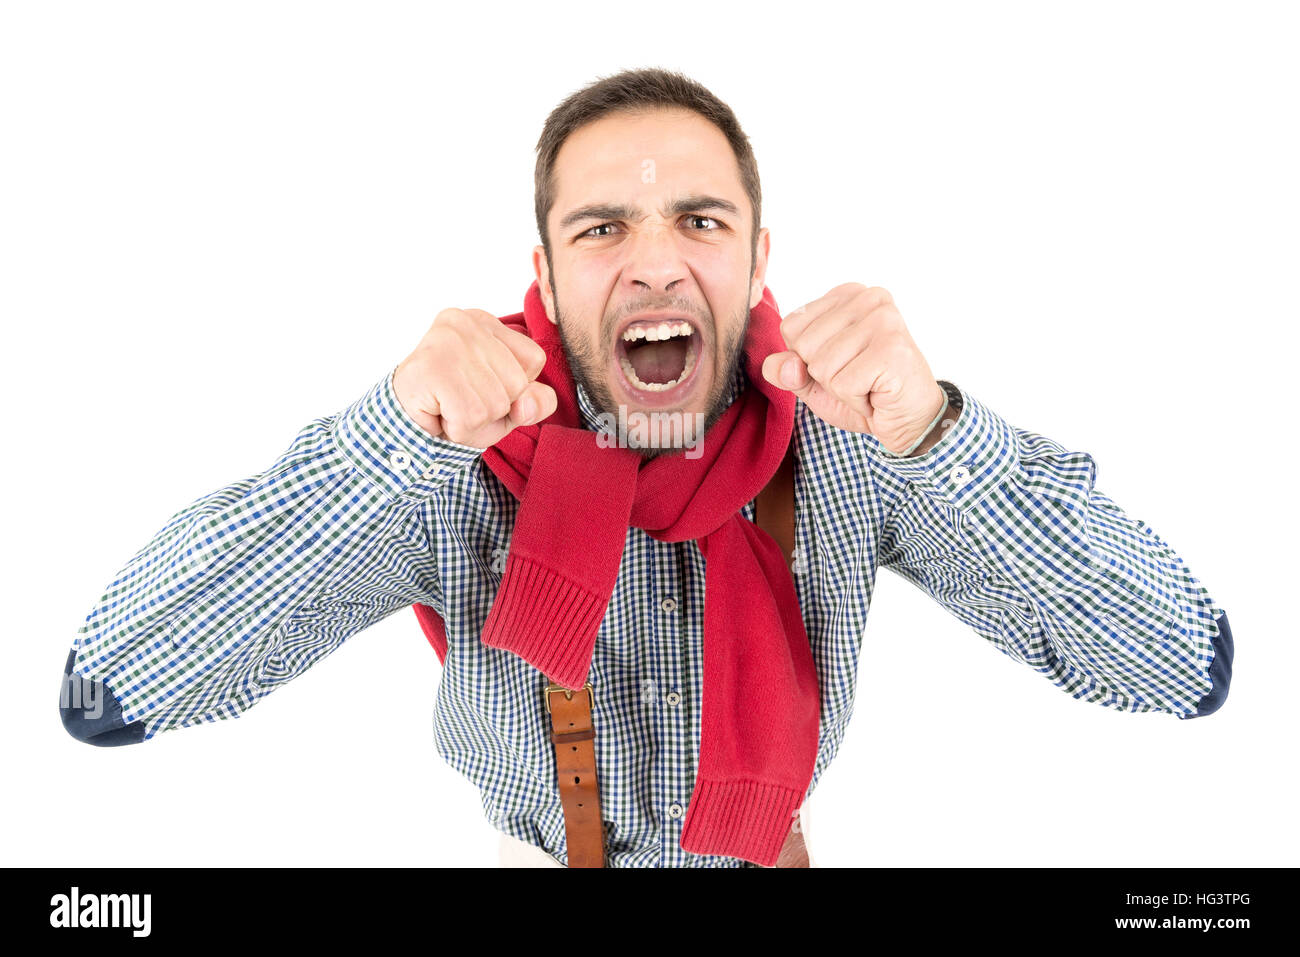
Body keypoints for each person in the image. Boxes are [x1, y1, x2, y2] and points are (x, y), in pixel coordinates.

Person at [58, 67, 1233, 869]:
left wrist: (936, 433)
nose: (657, 266)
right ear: (549, 273)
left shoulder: (849, 440)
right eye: (604, 228)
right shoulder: (448, 464)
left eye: (702, 224)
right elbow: (110, 694)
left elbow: (1180, 668)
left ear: (760, 259)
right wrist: (386, 438)